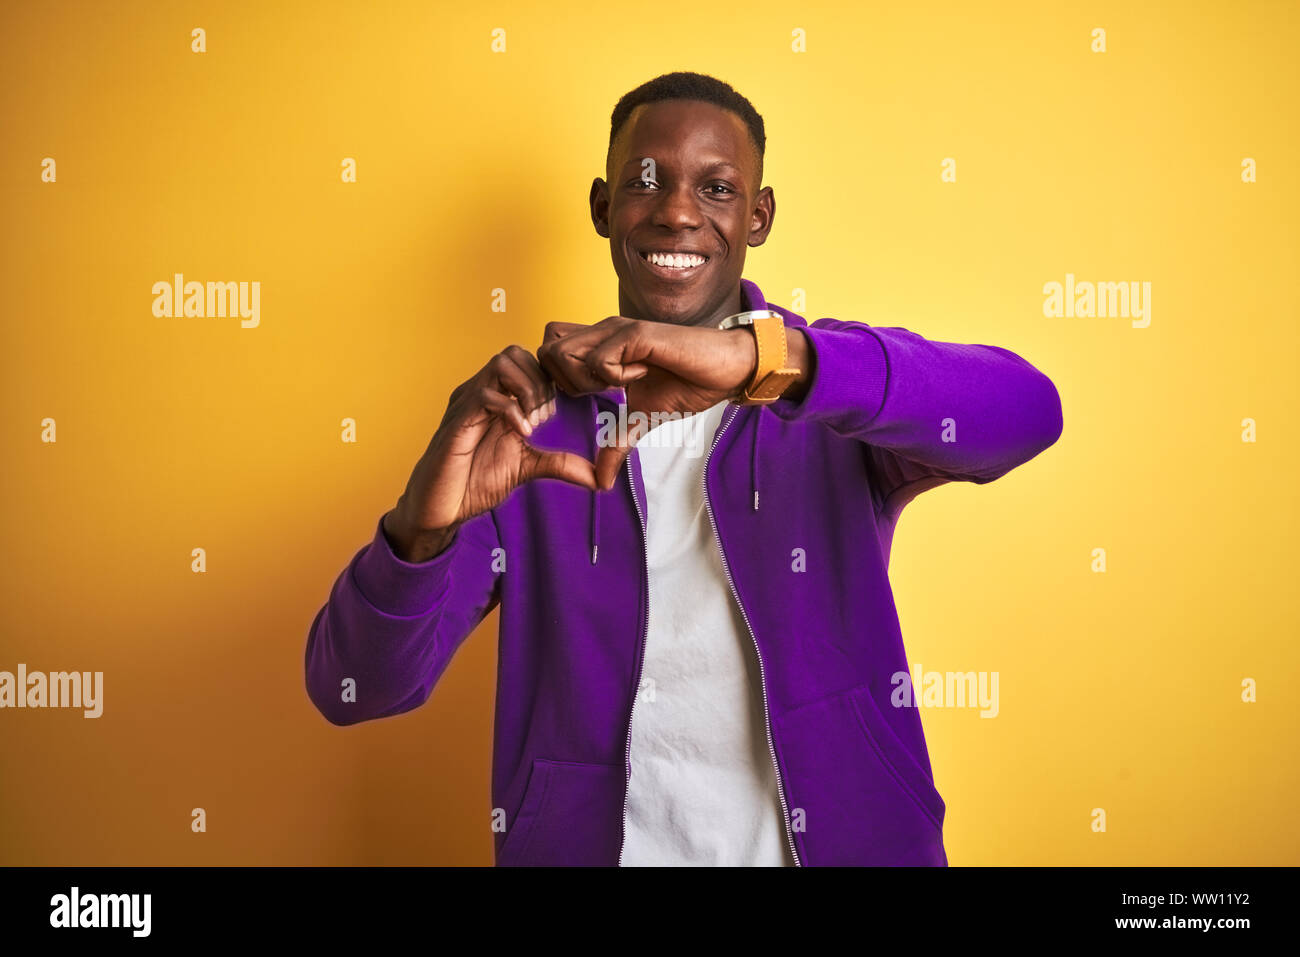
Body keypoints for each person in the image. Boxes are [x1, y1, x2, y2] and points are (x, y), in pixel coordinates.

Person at [304, 71, 1063, 866]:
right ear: (602, 208)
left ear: (758, 216)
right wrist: (420, 530)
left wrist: (765, 361)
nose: (675, 209)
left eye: (717, 187)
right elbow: (356, 686)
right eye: (644, 180)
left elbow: (1029, 412)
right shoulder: (525, 434)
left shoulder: (825, 389)